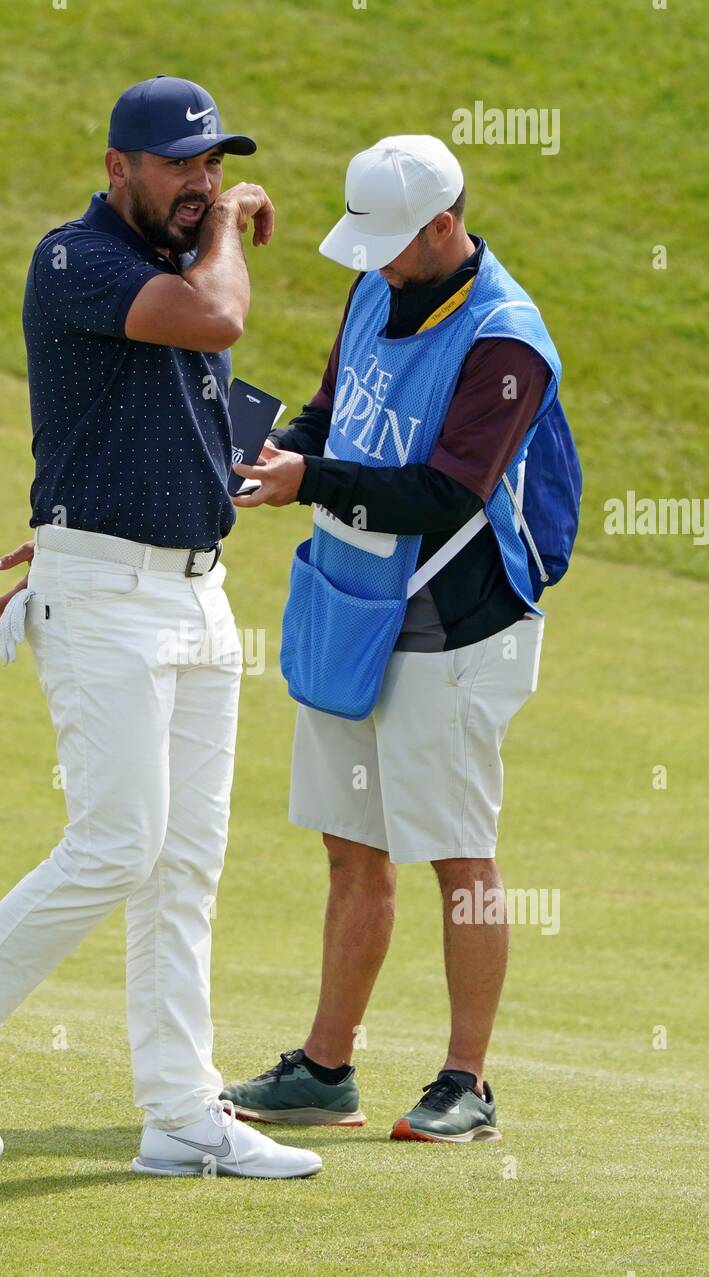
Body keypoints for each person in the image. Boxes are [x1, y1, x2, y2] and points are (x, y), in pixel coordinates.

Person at [0, 75, 321, 1180]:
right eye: (180, 166)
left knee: (185, 864)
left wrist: (73, 525)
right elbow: (220, 317)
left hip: (195, 596)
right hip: (110, 601)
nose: (200, 185)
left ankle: (178, 1111)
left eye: (213, 165)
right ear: (118, 169)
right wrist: (233, 225)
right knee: (118, 841)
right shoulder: (76, 259)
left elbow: (134, 419)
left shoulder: (171, 262)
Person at [222, 135, 561, 1143]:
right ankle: (326, 1070)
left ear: (443, 225)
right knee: (350, 847)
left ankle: (468, 1085)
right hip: (353, 599)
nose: (367, 262)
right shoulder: (375, 285)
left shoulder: (506, 340)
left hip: (455, 627)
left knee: (458, 855)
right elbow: (334, 413)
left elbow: (446, 493)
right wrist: (283, 453)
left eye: (386, 242)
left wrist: (309, 481)